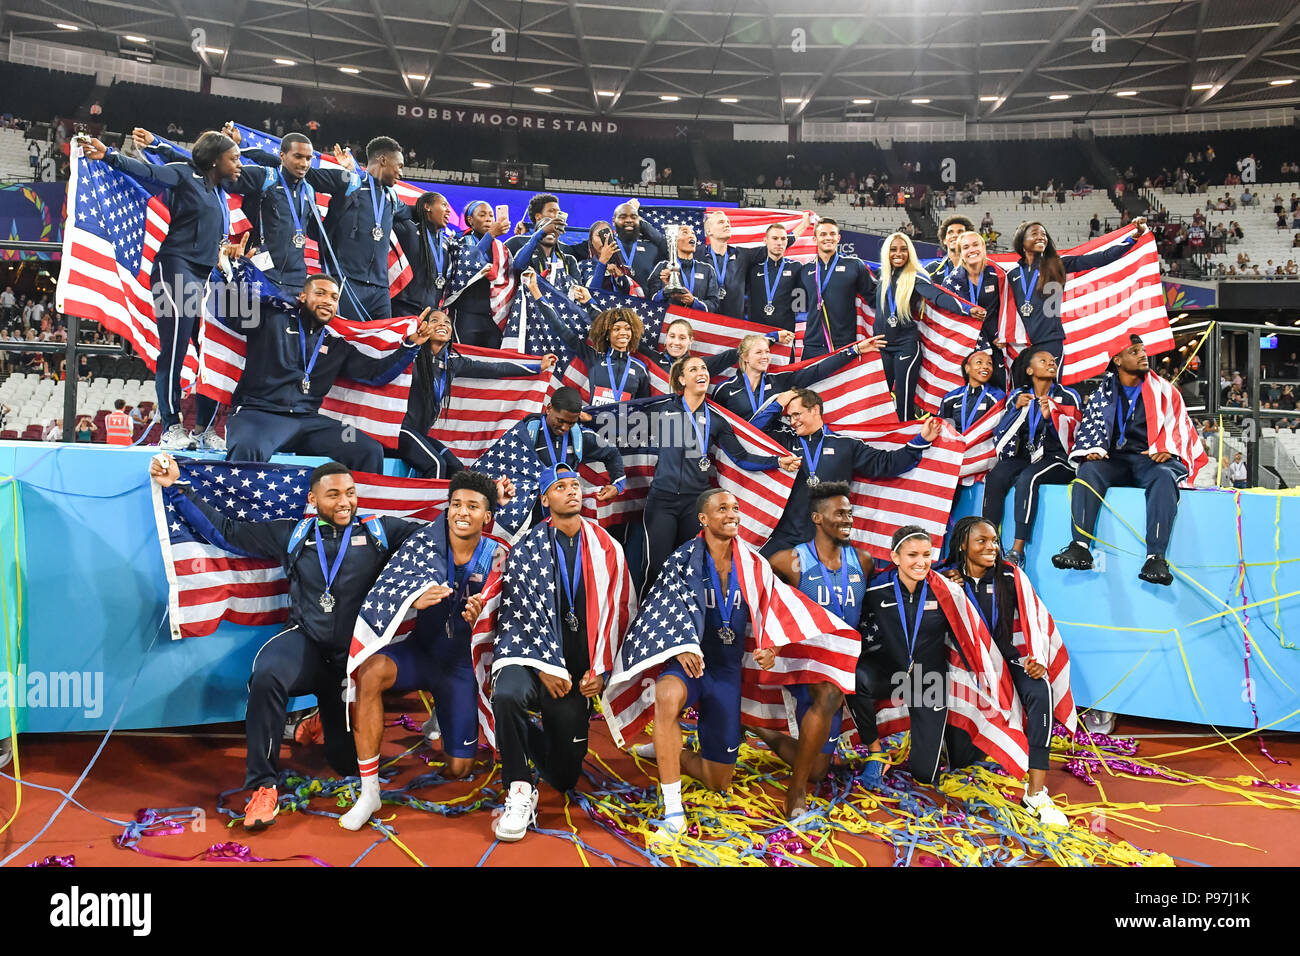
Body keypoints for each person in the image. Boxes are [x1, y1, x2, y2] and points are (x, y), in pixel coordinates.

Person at [149, 457, 427, 829]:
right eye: (334, 495)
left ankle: (318, 720)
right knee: (268, 673)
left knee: (344, 763)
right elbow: (226, 531)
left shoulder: (379, 532)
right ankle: (263, 788)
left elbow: (434, 538)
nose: (345, 502)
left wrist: (496, 511)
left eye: (350, 493)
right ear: (313, 498)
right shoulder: (293, 534)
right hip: (307, 646)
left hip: (351, 660)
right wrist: (178, 489)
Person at [623, 489, 856, 837]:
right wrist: (682, 644)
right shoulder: (681, 559)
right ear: (703, 519)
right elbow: (659, 611)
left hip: (727, 672)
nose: (732, 514)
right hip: (690, 665)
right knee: (666, 695)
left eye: (735, 508)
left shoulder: (754, 564)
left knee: (718, 780)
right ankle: (673, 810)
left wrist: (770, 648)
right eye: (722, 509)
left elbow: (774, 612)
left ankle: (668, 749)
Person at [340, 470, 507, 830]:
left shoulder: (498, 557)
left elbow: (503, 616)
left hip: (460, 668)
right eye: (456, 504)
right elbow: (389, 589)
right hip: (420, 654)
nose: (462, 512)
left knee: (459, 770)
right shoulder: (422, 544)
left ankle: (441, 716)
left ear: (488, 516)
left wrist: (482, 616)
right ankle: (369, 791)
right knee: (369, 673)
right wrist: (413, 598)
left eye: (473, 506)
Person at [487, 464, 635, 842]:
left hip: (580, 670)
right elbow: (515, 620)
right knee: (506, 695)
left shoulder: (608, 548)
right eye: (560, 487)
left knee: (566, 776)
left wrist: (600, 671)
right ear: (544, 499)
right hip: (533, 662)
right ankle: (519, 788)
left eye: (575, 486)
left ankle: (517, 738)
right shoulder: (525, 549)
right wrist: (542, 668)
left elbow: (620, 613)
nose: (572, 491)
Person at [79, 131, 239, 451]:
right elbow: (150, 172)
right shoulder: (183, 172)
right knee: (175, 350)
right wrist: (110, 155)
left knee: (211, 353)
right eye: (233, 158)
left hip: (205, 276)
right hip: (175, 270)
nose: (238, 164)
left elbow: (188, 154)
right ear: (214, 160)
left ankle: (204, 430)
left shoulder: (215, 188)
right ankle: (170, 426)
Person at [849, 526, 1020, 790]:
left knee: (924, 775)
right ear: (895, 558)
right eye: (912, 555)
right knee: (852, 676)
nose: (921, 562)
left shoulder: (946, 591)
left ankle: (937, 743)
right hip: (891, 674)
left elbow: (969, 636)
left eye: (926, 555)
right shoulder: (876, 590)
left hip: (928, 680)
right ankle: (875, 753)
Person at [221, 267, 436, 473]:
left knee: (368, 449)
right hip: (258, 414)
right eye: (320, 293)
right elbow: (231, 315)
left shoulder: (336, 346)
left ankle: (361, 511)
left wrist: (410, 346)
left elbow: (376, 374)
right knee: (246, 448)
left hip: (308, 423)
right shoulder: (273, 319)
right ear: (303, 297)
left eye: (334, 298)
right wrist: (226, 272)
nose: (328, 301)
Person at [942, 517, 1068, 827]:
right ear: (962, 545)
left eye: (995, 541)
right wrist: (946, 591)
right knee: (960, 761)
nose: (992, 547)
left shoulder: (1011, 576)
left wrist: (1036, 657)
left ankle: (1036, 793)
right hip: (964, 669)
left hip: (1006, 663)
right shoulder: (945, 579)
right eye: (981, 541)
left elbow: (1034, 619)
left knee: (1041, 691)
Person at [1053, 336, 1207, 587]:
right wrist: (1093, 450)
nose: (1143, 355)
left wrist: (1167, 449)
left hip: (1150, 460)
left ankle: (1156, 557)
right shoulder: (1101, 393)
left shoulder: (1165, 391)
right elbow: (1090, 432)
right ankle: (1079, 546)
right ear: (1117, 360)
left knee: (1164, 476)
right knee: (1089, 470)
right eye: (1134, 352)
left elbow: (1179, 430)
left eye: (1143, 350)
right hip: (1117, 461)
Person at [637, 356, 800, 593]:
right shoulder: (662, 410)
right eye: (693, 369)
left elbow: (741, 458)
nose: (701, 372)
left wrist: (776, 461)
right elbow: (621, 424)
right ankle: (645, 620)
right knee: (655, 567)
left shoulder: (716, 420)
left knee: (693, 568)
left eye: (703, 368)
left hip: (697, 505)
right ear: (682, 379)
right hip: (662, 501)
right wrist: (591, 417)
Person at [765, 482, 873, 817]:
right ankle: (795, 794)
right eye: (839, 513)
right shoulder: (790, 560)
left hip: (841, 662)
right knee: (828, 695)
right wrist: (770, 640)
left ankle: (760, 729)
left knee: (818, 771)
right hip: (806, 661)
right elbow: (761, 594)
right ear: (817, 517)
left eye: (850, 513)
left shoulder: (864, 561)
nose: (848, 519)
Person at [764, 387, 938, 555]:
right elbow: (749, 433)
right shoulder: (783, 442)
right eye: (789, 417)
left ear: (815, 410)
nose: (793, 422)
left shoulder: (845, 445)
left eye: (797, 414)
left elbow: (886, 463)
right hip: (785, 536)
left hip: (827, 541)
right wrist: (778, 404)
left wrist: (920, 441)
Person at [397, 308, 554, 478]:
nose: (442, 324)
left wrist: (537, 366)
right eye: (435, 320)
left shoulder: (452, 364)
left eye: (447, 322)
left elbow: (494, 369)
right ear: (424, 326)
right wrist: (411, 343)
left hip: (420, 434)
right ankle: (430, 505)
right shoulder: (412, 355)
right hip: (400, 430)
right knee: (436, 464)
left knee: (456, 467)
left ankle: (450, 505)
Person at [475, 386, 626, 537]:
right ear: (549, 408)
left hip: (563, 515)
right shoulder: (526, 433)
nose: (564, 427)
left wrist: (617, 484)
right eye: (560, 420)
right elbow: (493, 465)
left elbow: (612, 453)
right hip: (527, 515)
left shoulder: (580, 436)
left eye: (571, 423)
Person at [1005, 218, 1147, 373]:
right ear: (1021, 241)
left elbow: (1103, 257)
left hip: (1050, 341)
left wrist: (1134, 236)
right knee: (1022, 393)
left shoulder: (1057, 265)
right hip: (1021, 344)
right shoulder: (1011, 274)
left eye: (1043, 234)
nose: (1041, 237)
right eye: (1034, 233)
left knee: (1048, 390)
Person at [983, 349, 1081, 566]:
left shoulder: (1068, 395)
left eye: (1053, 361)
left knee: (1029, 478)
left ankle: (1017, 550)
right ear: (1029, 370)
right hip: (1025, 454)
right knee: (996, 476)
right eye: (1043, 361)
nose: (1051, 364)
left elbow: (1075, 435)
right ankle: (988, 542)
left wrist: (1051, 418)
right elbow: (1005, 430)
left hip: (1058, 457)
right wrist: (1015, 409)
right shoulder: (1018, 395)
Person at [875, 232, 984, 420]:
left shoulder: (915, 276)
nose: (898, 254)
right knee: (882, 398)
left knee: (904, 399)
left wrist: (966, 309)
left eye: (903, 249)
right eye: (893, 250)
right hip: (882, 346)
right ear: (886, 253)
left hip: (905, 348)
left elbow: (937, 296)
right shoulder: (882, 276)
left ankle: (906, 440)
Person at [323, 136, 414, 321]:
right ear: (383, 160)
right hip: (346, 280)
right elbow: (303, 173)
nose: (401, 173)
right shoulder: (350, 184)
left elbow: (414, 212)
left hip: (380, 288)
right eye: (400, 165)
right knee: (342, 345)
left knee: (381, 347)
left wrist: (434, 204)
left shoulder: (391, 198)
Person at [712, 332, 881, 432]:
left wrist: (854, 350)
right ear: (744, 357)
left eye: (766, 352)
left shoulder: (780, 380)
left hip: (776, 450)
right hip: (741, 455)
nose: (765, 357)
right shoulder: (724, 389)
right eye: (758, 353)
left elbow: (816, 371)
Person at [702, 210, 810, 319]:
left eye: (728, 222)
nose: (727, 225)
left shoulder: (742, 255)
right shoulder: (697, 255)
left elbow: (775, 246)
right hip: (705, 324)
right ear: (709, 231)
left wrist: (804, 225)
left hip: (734, 327)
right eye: (721, 222)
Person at [797, 218, 876, 360]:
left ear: (838, 238)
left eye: (832, 234)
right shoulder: (805, 270)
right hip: (812, 345)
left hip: (845, 345)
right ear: (815, 239)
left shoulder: (854, 265)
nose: (828, 238)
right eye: (823, 234)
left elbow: (874, 298)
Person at [544, 305, 652, 404]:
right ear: (607, 335)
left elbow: (643, 404)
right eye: (616, 329)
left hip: (625, 423)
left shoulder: (640, 368)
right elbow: (562, 329)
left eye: (628, 329)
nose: (623, 332)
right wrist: (536, 291)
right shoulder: (594, 358)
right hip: (594, 423)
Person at [941, 230, 1007, 390]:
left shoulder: (997, 274)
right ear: (961, 253)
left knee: (1000, 388)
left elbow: (1008, 307)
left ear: (984, 248)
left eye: (976, 245)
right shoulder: (951, 282)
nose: (972, 250)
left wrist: (1005, 333)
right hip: (966, 344)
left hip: (997, 343)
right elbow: (949, 319)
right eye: (966, 247)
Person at [443, 200, 514, 348]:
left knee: (491, 363)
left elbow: (513, 273)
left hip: (493, 316)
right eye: (482, 215)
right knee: (464, 361)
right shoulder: (458, 241)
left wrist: (537, 236)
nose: (488, 218)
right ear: (470, 220)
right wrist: (491, 234)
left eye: (491, 215)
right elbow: (467, 261)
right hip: (466, 314)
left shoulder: (501, 248)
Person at [636, 316, 792, 378]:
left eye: (682, 338)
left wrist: (772, 337)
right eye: (672, 336)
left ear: (691, 340)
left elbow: (737, 353)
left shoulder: (700, 366)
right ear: (666, 338)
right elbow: (627, 341)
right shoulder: (652, 358)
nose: (676, 342)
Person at [744, 223, 806, 331]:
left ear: (787, 241)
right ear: (765, 240)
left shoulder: (796, 267)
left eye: (783, 239)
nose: (779, 243)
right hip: (756, 335)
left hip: (785, 335)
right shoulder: (753, 268)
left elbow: (803, 300)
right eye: (775, 238)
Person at [646, 225, 722, 312]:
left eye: (693, 233)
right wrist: (666, 291)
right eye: (685, 232)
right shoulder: (662, 267)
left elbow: (714, 304)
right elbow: (649, 301)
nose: (691, 235)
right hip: (669, 322)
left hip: (698, 323)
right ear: (673, 240)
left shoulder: (707, 269)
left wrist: (693, 302)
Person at [938, 347, 1005, 432]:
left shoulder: (997, 396)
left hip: (983, 444)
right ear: (967, 368)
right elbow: (943, 429)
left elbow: (1000, 429)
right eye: (979, 362)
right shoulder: (951, 397)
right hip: (956, 444)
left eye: (989, 363)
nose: (985, 366)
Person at [608, 199, 668, 288]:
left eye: (633, 217)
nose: (629, 220)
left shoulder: (652, 248)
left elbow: (667, 246)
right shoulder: (606, 247)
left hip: (647, 301)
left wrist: (641, 222)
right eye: (623, 217)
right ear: (613, 221)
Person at [927, 215, 973, 282]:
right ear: (944, 240)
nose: (955, 235)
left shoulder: (979, 267)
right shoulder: (932, 269)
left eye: (960, 232)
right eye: (950, 232)